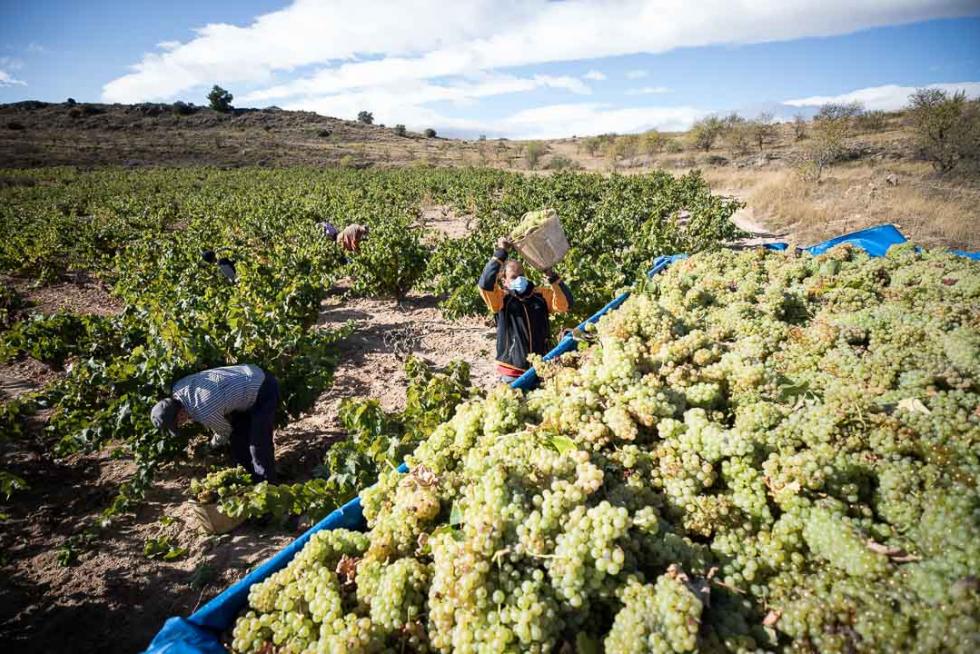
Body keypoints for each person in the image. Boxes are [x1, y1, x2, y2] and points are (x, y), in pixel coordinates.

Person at [150, 364, 280, 483]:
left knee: (258, 445)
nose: (181, 424)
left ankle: (269, 487)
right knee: (238, 442)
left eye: (178, 422)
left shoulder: (204, 409)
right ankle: (253, 479)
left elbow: (225, 432)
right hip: (246, 381)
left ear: (180, 414)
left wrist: (209, 446)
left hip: (263, 388)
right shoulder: (178, 388)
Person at [478, 237, 573, 384]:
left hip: (542, 366)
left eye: (521, 276)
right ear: (504, 281)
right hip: (513, 370)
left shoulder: (539, 295)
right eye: (514, 277)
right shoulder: (501, 300)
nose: (519, 279)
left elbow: (565, 304)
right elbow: (485, 284)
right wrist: (501, 252)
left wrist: (552, 276)